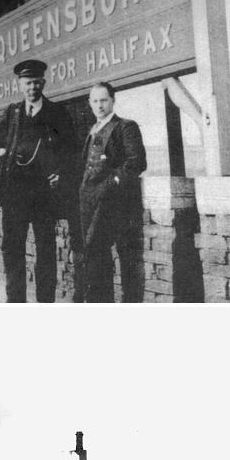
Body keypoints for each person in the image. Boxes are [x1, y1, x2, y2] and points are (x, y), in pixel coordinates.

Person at [0, 59, 80, 303]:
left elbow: (72, 150)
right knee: (12, 248)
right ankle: (16, 302)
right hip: (14, 191)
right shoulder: (13, 112)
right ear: (20, 85)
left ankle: (45, 302)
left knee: (45, 249)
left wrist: (62, 172)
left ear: (43, 83)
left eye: (36, 82)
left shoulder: (57, 113)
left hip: (44, 193)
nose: (32, 87)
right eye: (27, 83)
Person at [78, 81, 147, 303]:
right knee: (95, 256)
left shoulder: (125, 126)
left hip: (117, 204)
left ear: (113, 101)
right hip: (90, 203)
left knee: (127, 258)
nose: (100, 105)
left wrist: (111, 184)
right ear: (90, 104)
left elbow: (136, 162)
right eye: (95, 101)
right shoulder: (92, 131)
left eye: (104, 100)